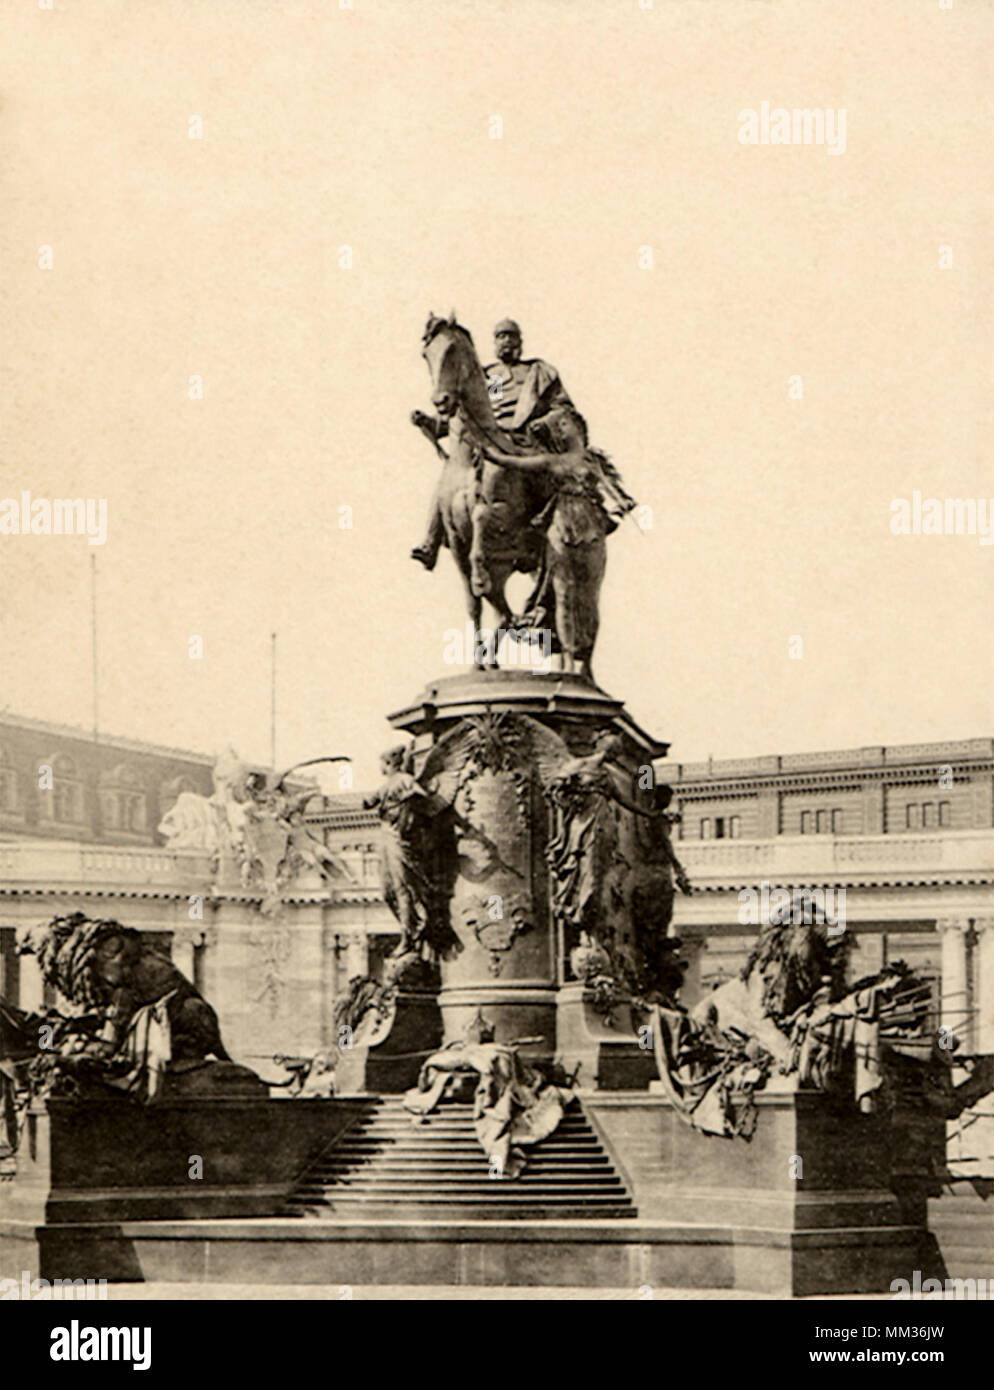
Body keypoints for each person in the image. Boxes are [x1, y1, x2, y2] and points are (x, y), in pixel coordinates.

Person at [481, 406, 633, 682]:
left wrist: (623, 501)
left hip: (591, 526)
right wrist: (490, 454)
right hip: (560, 526)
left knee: (589, 598)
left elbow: (610, 488)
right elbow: (516, 463)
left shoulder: (591, 461)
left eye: (564, 423)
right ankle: (569, 664)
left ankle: (584, 662)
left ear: (577, 426)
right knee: (563, 594)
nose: (560, 428)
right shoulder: (552, 460)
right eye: (557, 425)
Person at [410, 319, 571, 570]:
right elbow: (487, 411)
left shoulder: (537, 373)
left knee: (545, 477)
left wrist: (544, 424)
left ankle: (538, 533)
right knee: (452, 472)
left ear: (520, 341)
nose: (505, 341)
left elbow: (562, 409)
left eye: (510, 336)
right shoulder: (493, 377)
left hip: (527, 437)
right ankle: (432, 539)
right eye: (500, 337)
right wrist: (433, 424)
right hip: (492, 436)